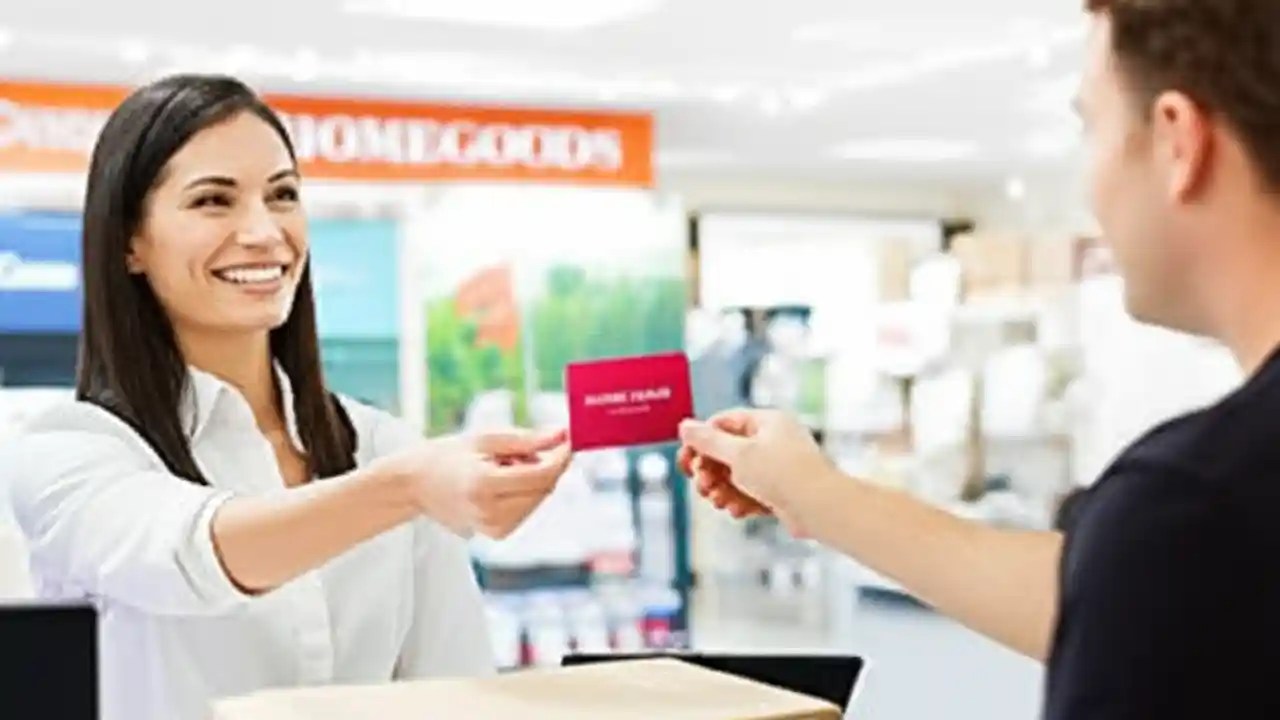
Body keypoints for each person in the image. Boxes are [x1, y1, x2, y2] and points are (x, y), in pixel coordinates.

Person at [678, 1, 1280, 717]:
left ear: (1178, 141)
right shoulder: (1189, 540)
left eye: (1092, 128)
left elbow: (1149, 580)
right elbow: (1119, 592)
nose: (1088, 187)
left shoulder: (1192, 508)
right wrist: (817, 496)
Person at [0, 75, 572, 720]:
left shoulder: (382, 446)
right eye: (214, 200)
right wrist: (406, 488)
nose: (264, 231)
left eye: (283, 195)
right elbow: (190, 556)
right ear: (130, 240)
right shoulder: (70, 451)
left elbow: (454, 688)